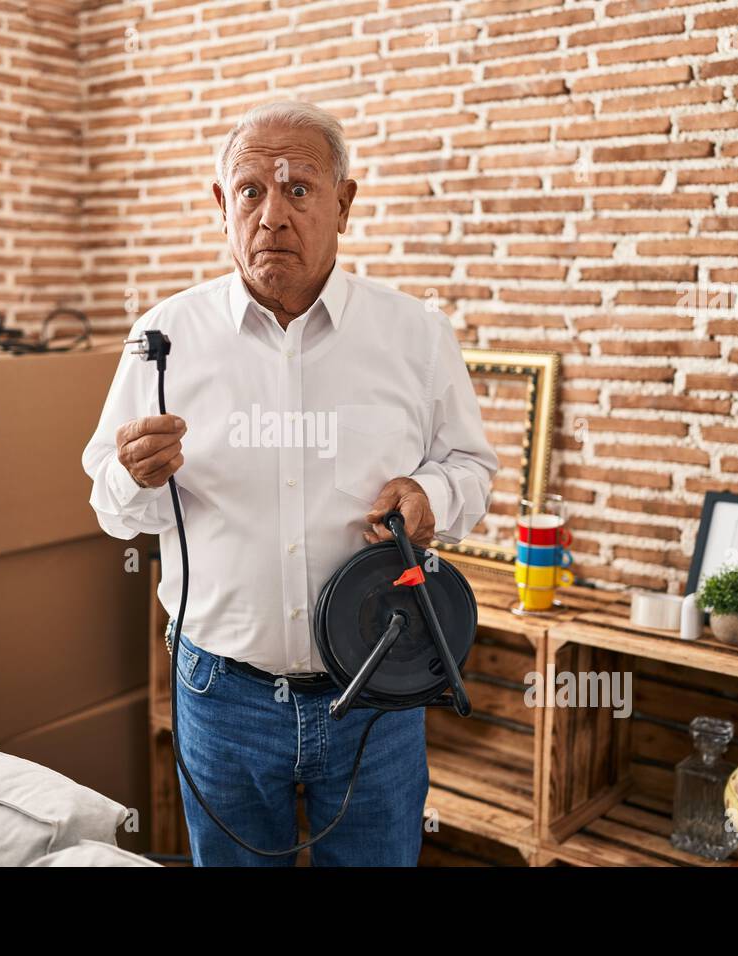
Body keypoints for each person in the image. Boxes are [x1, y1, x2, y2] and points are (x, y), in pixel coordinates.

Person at [81, 100, 499, 866]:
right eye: (250, 191)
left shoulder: (415, 334)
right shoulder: (162, 337)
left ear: (345, 202)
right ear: (221, 204)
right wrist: (133, 474)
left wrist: (429, 497)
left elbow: (471, 468)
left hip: (377, 689)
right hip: (221, 694)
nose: (273, 215)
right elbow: (112, 502)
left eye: (299, 190)